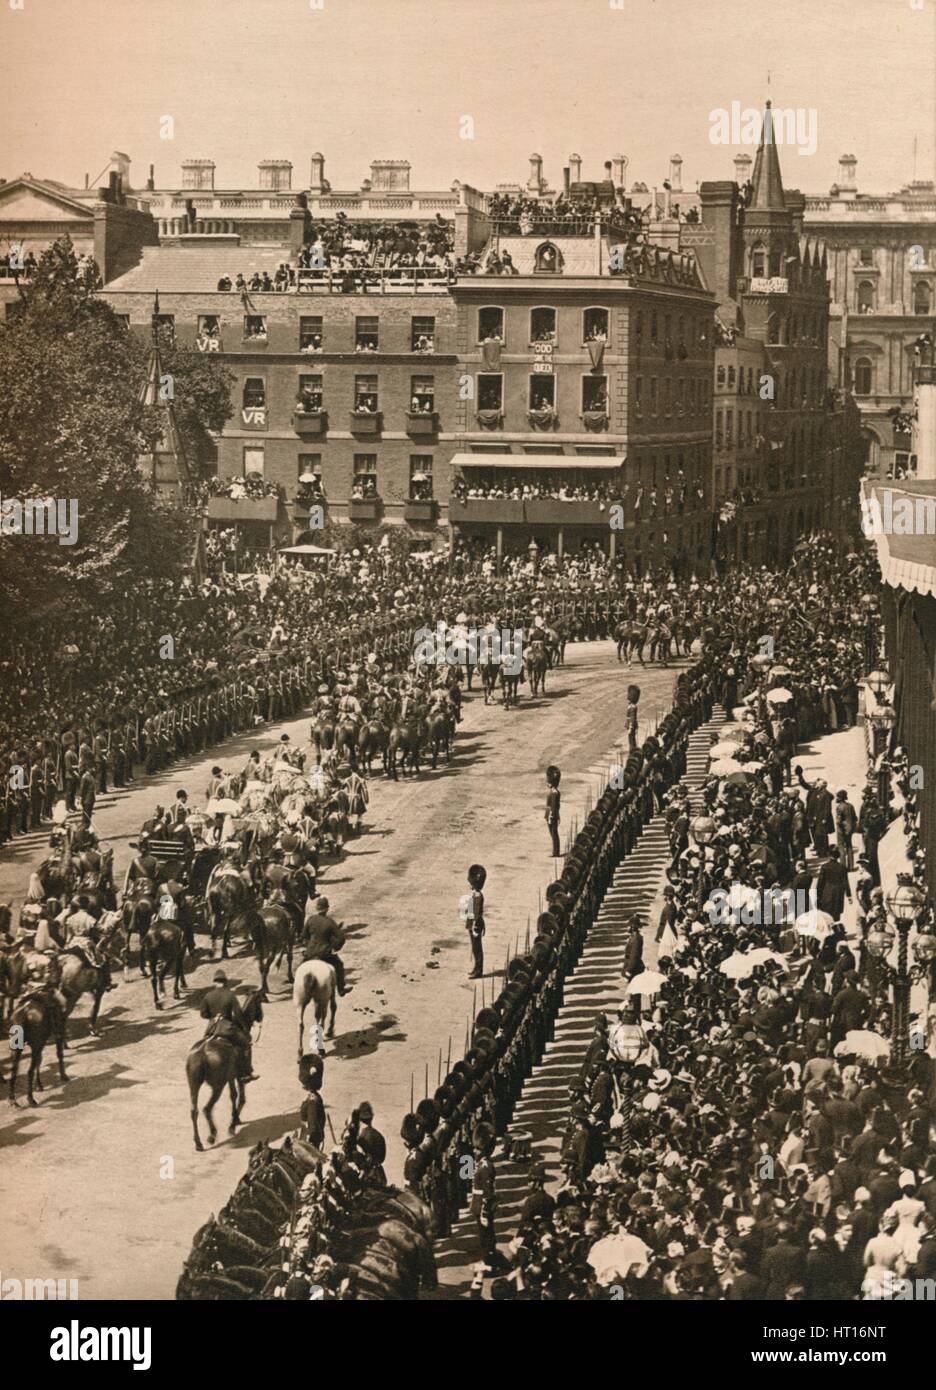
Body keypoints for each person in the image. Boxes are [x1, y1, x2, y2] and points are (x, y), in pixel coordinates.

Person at [199, 969, 258, 1082]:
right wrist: (245, 1028)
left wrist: (213, 1017)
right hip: (227, 1028)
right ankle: (247, 1072)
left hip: (211, 1028)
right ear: (225, 982)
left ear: (215, 982)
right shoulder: (230, 995)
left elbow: (203, 1014)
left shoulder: (208, 995)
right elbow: (238, 1013)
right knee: (246, 1044)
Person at [301, 896, 352, 995]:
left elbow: (304, 936)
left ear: (317, 908)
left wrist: (308, 946)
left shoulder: (310, 919)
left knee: (300, 968)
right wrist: (335, 947)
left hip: (310, 953)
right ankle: (341, 989)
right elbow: (341, 938)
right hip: (324, 954)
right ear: (327, 909)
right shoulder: (329, 922)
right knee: (339, 965)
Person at [462, 863, 486, 980]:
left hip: (475, 924)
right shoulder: (476, 894)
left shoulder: (477, 895)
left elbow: (476, 913)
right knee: (475, 947)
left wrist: (475, 926)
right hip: (473, 923)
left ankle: (478, 969)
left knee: (477, 948)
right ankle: (476, 968)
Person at [356, 1101, 387, 1183]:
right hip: (379, 1175)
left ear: (359, 1119)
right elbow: (382, 1158)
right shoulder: (379, 1136)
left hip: (364, 1177)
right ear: (372, 1117)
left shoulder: (359, 1138)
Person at [545, 765, 561, 858]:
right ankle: (555, 850)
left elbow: (554, 807)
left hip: (552, 815)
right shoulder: (553, 791)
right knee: (552, 832)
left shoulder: (554, 793)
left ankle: (556, 852)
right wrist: (546, 816)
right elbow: (548, 804)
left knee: (554, 833)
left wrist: (550, 816)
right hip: (549, 815)